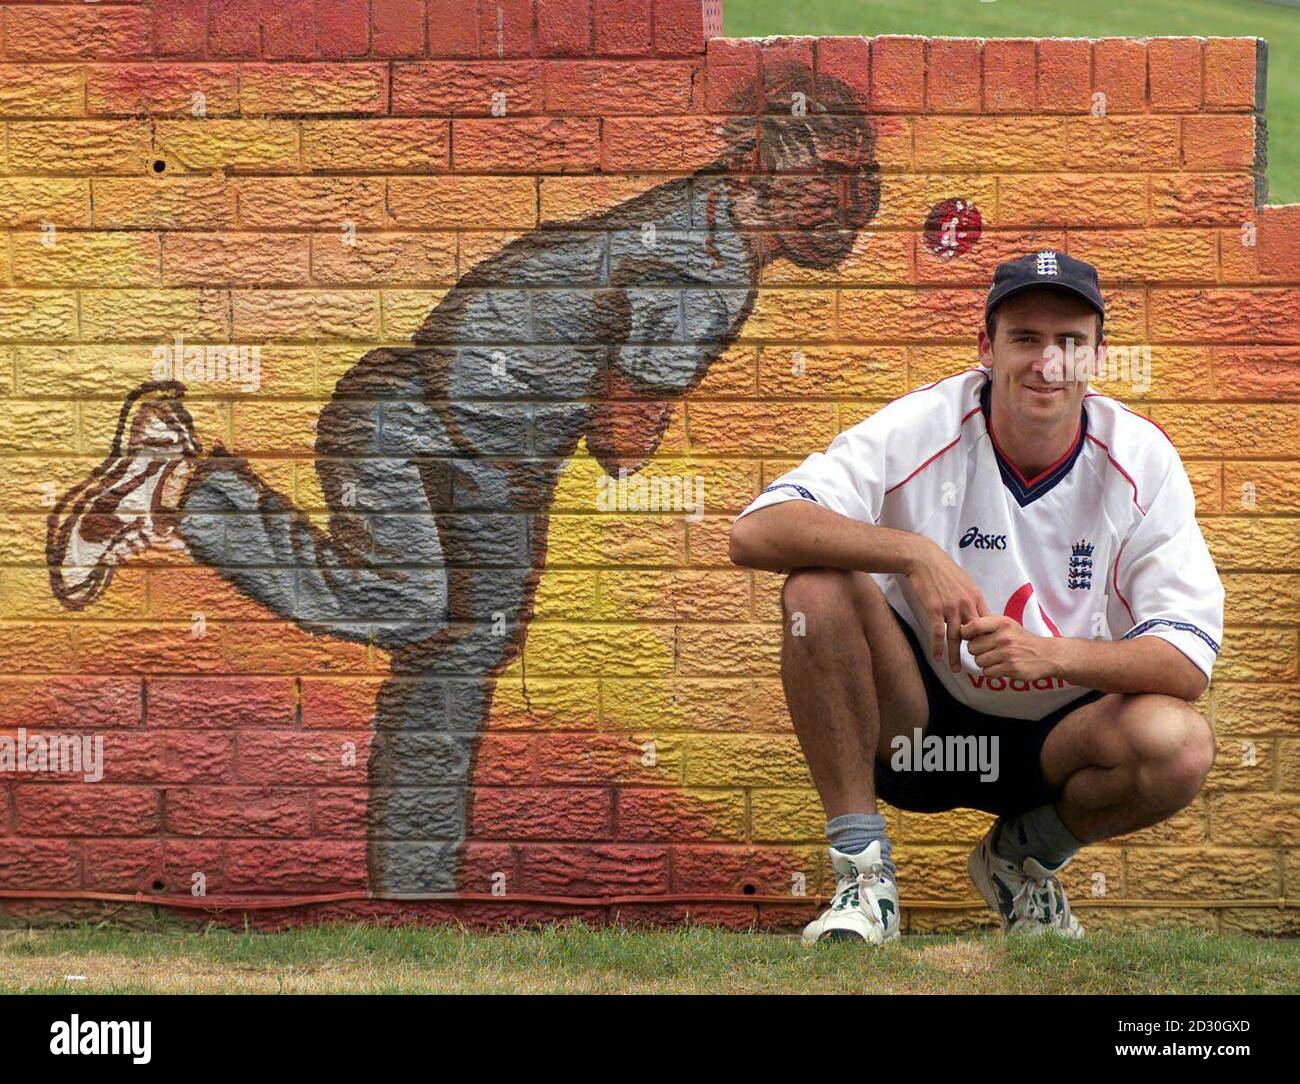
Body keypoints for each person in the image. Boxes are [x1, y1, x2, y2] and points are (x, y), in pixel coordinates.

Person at [46, 62, 883, 895]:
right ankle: (183, 488)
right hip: (413, 428)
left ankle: (414, 899)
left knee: (453, 665)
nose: (847, 198)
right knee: (407, 603)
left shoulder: (684, 224)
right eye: (830, 174)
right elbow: (622, 445)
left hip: (495, 467)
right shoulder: (707, 272)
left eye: (856, 173)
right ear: (754, 167)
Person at [729, 250, 1224, 943]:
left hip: (1055, 746)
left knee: (1180, 746)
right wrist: (914, 553)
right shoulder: (923, 424)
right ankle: (863, 885)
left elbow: (1186, 664)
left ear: (1096, 358)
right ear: (985, 346)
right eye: (1024, 338)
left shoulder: (1140, 458)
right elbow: (754, 532)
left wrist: (1047, 653)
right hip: (916, 732)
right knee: (816, 587)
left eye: (1070, 342)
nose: (1047, 364)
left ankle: (1022, 858)